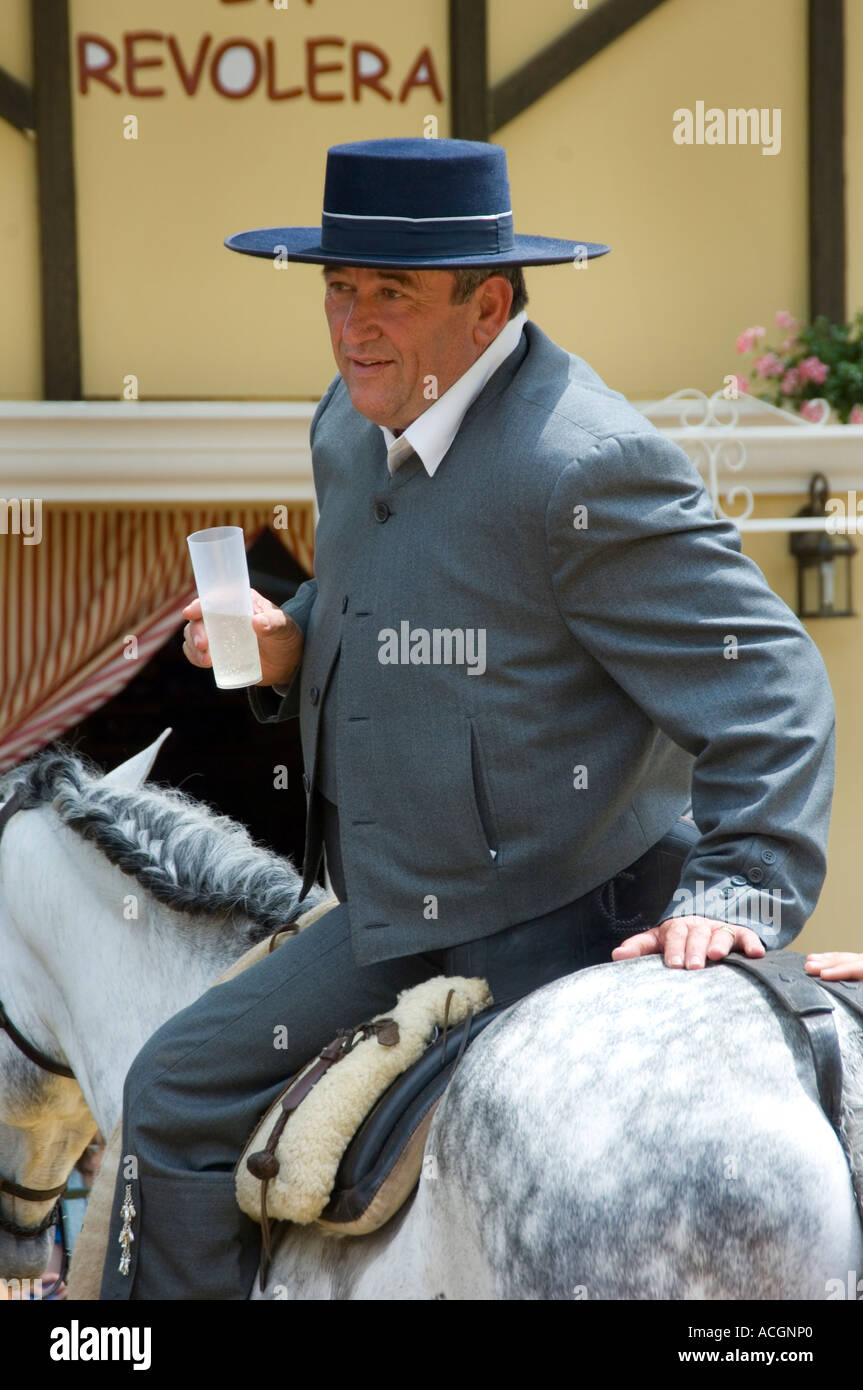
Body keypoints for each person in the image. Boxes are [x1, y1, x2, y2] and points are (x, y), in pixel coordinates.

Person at [99, 138, 835, 1300]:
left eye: (391, 292)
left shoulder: (584, 466)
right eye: (338, 289)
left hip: (570, 916)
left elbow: (772, 680)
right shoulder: (345, 426)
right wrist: (292, 634)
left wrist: (737, 888)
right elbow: (375, 595)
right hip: (392, 914)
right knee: (172, 1093)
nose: (352, 325)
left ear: (487, 304)